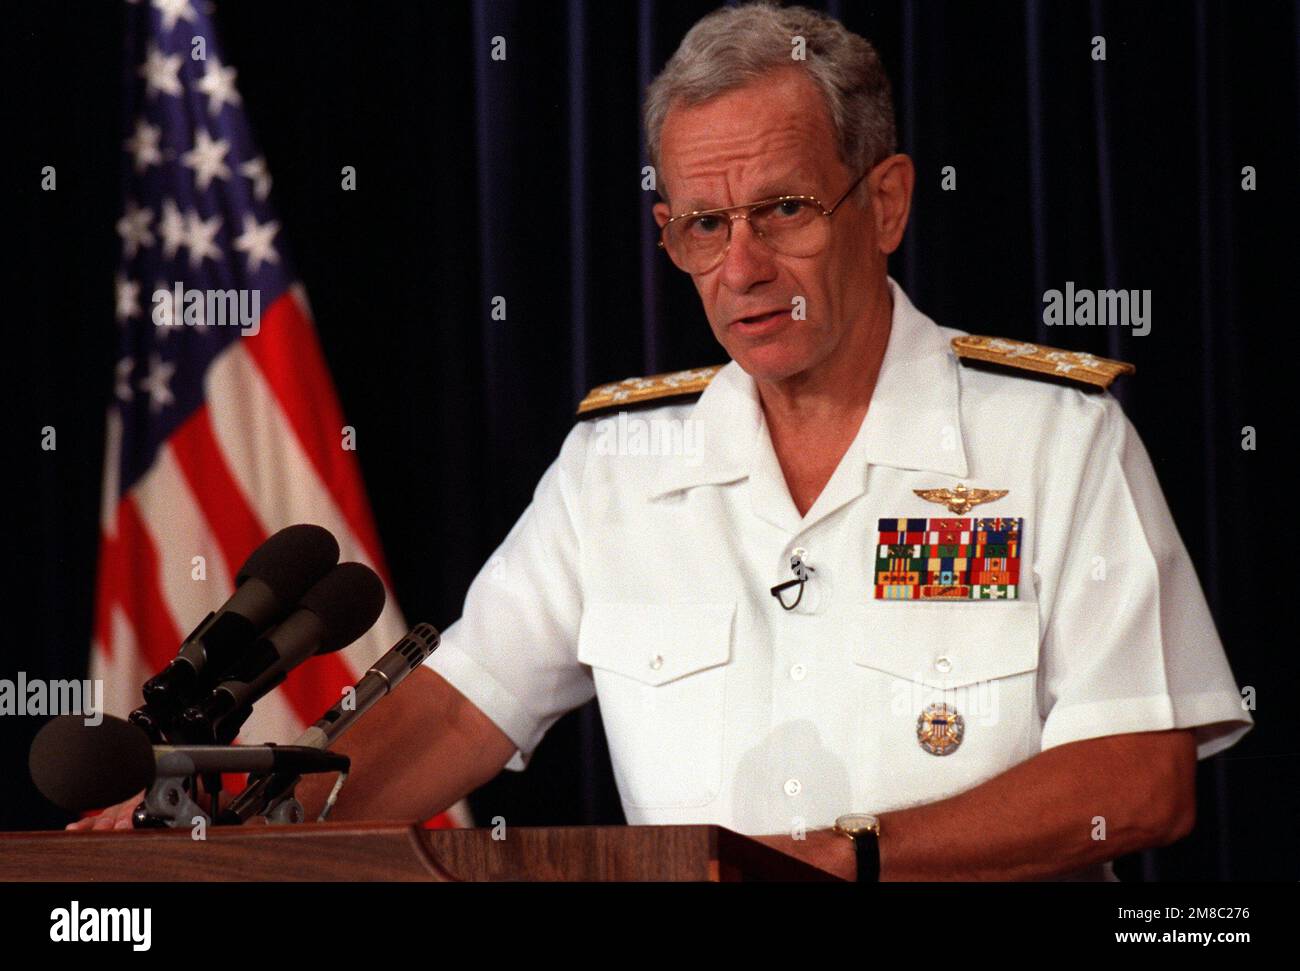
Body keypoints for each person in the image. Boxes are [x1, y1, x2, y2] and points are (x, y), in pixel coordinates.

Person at [71, 1, 1252, 881]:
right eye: (701, 224)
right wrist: (218, 840)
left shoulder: (1054, 437)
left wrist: (841, 859)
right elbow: (449, 715)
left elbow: (1137, 781)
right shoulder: (616, 465)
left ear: (884, 202)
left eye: (782, 210)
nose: (740, 267)